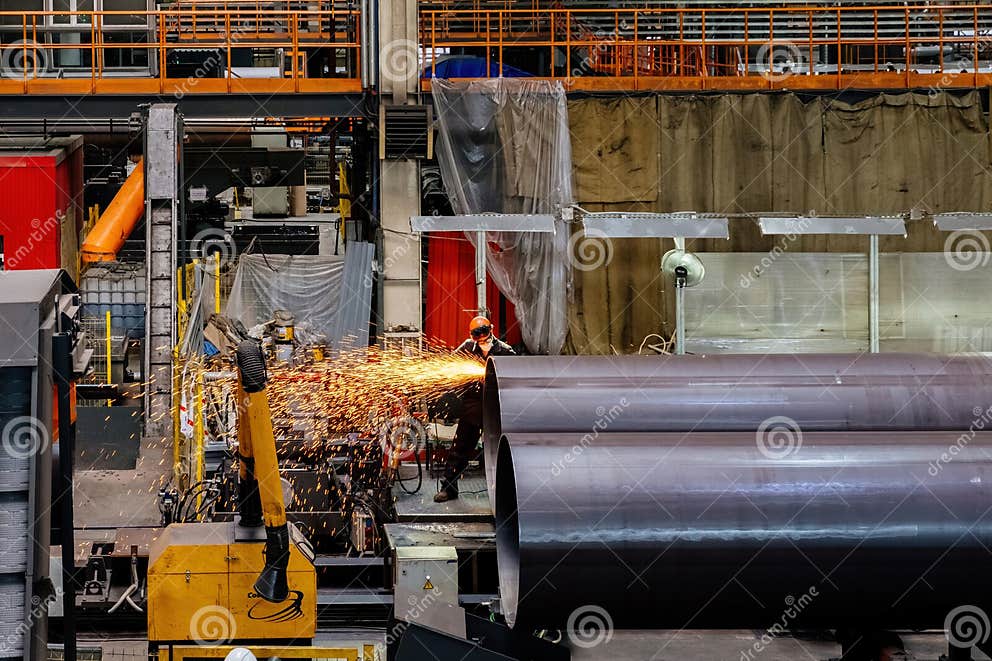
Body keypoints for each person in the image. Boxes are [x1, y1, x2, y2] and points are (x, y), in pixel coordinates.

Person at [435, 315, 515, 503]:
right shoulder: (467, 348)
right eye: (476, 334)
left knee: (500, 449)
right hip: (473, 404)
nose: (481, 337)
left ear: (492, 329)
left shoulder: (505, 351)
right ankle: (449, 488)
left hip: (497, 405)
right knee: (460, 447)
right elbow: (450, 365)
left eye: (483, 332)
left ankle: (507, 491)